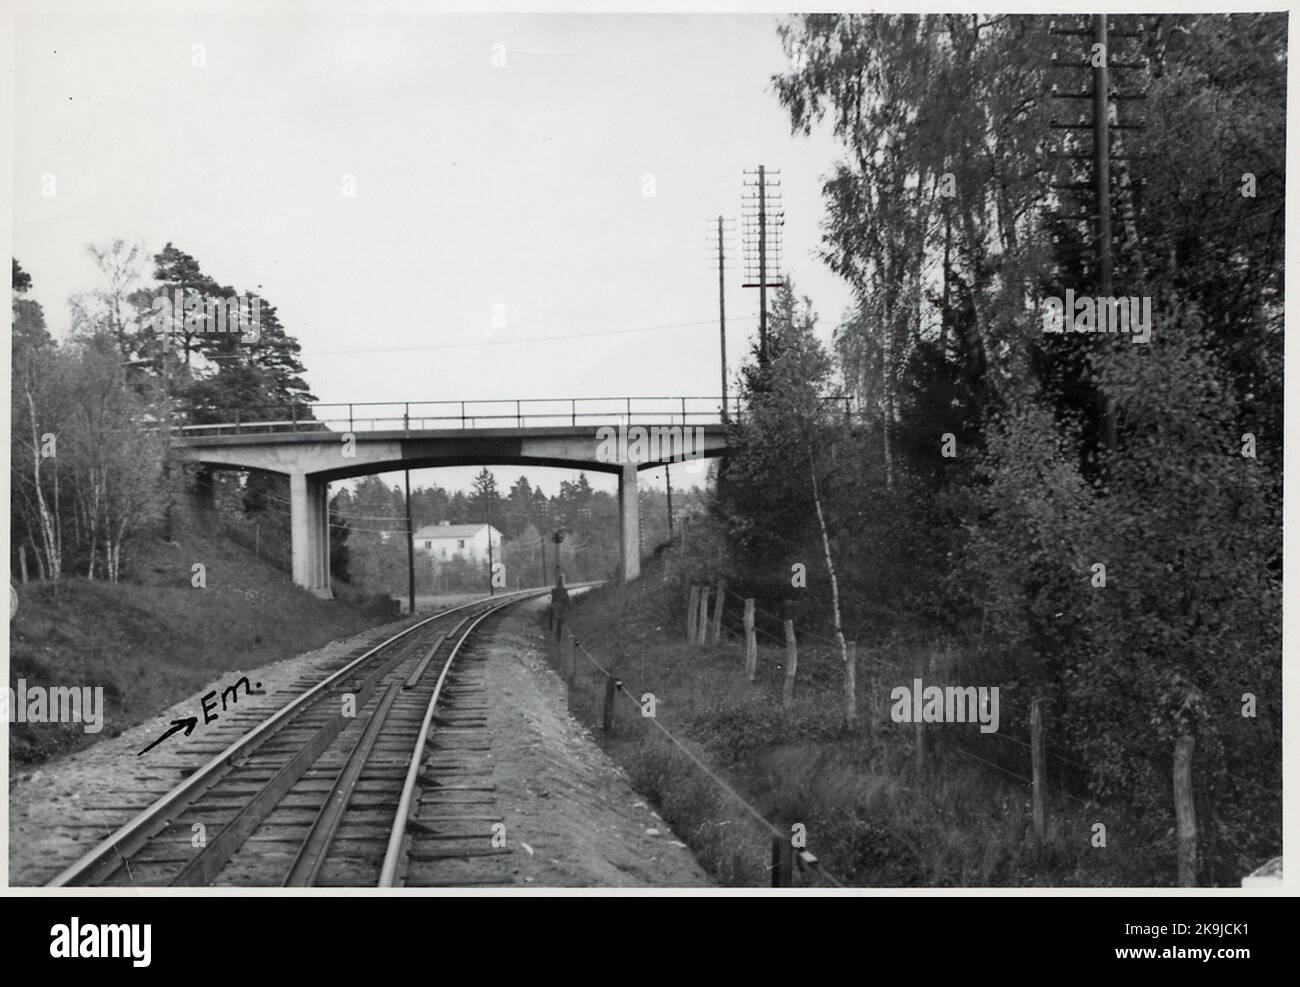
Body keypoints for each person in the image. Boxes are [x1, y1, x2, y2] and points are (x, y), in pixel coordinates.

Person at [550, 573, 570, 641]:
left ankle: (556, 637)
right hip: (561, 610)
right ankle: (558, 638)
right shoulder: (564, 592)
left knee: (557, 624)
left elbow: (552, 602)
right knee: (559, 625)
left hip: (557, 610)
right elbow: (567, 603)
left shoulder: (555, 592)